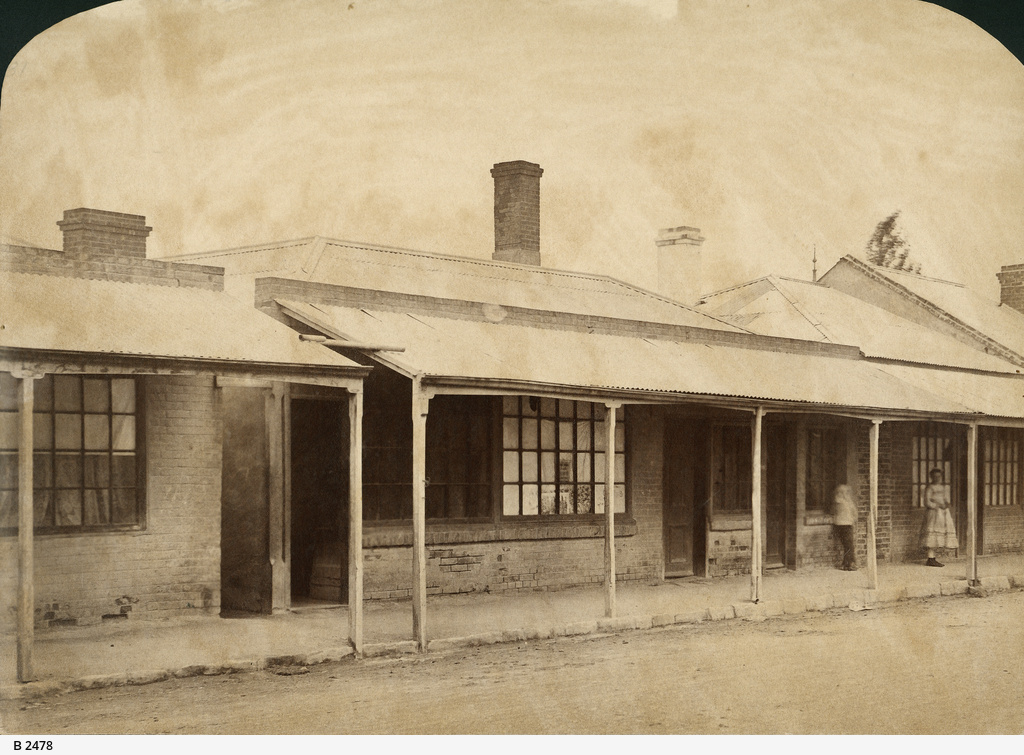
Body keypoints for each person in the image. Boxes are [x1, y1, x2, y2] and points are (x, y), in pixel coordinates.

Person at [922, 468, 958, 566]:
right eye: (935, 476)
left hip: (943, 514)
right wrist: (937, 506)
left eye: (939, 476)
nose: (937, 478)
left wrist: (946, 504)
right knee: (932, 535)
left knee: (939, 535)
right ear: (931, 477)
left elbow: (945, 499)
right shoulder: (929, 488)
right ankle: (930, 558)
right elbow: (926, 502)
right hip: (934, 514)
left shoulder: (942, 488)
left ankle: (933, 558)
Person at [833, 484, 857, 571]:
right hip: (847, 525)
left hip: (839, 525)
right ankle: (848, 565)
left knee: (847, 546)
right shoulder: (846, 502)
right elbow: (854, 513)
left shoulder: (837, 502)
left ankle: (846, 563)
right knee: (849, 546)